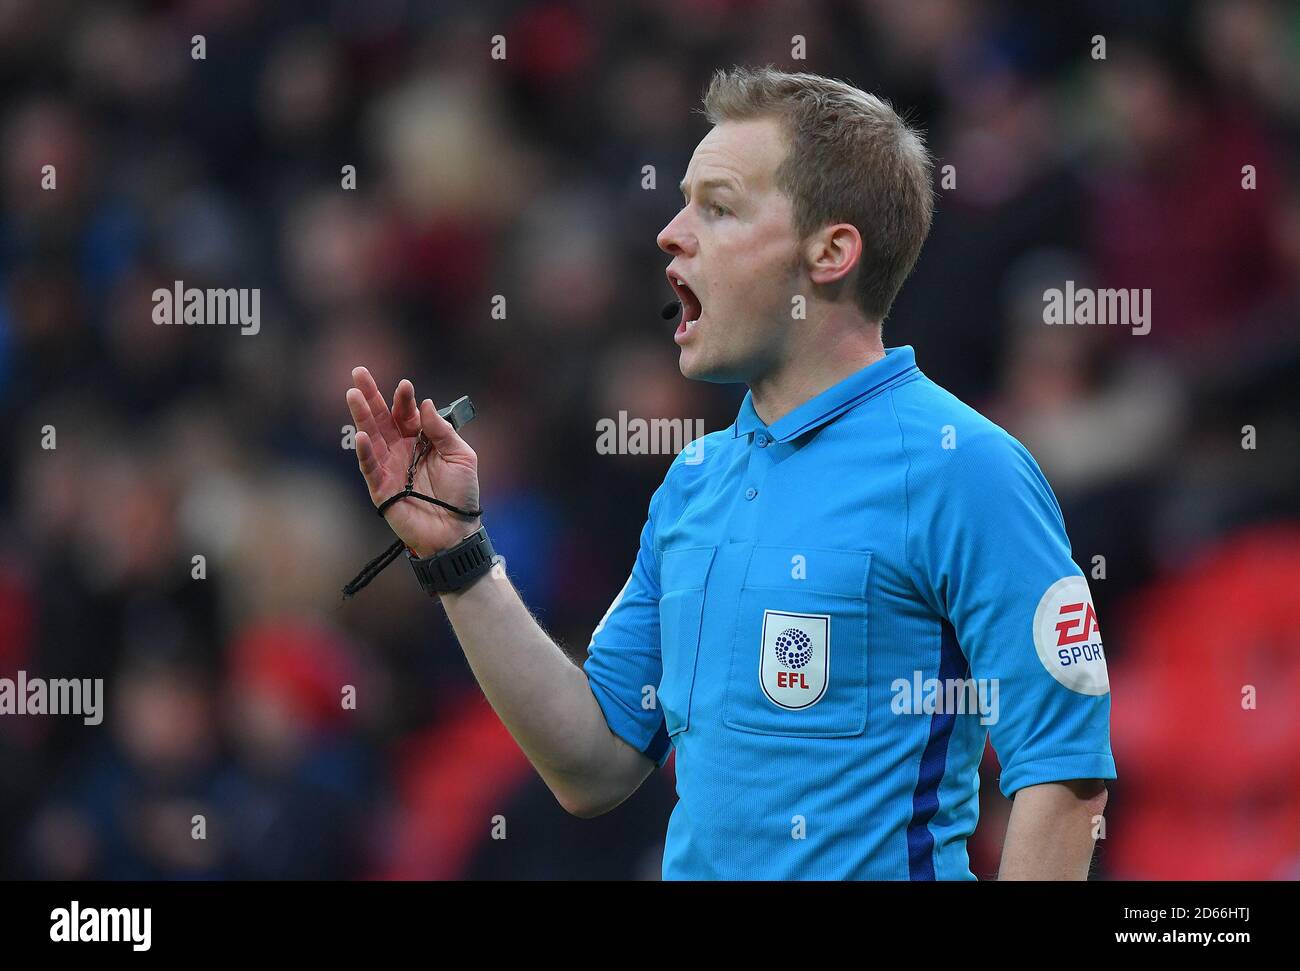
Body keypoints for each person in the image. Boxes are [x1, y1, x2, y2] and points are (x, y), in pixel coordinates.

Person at [344, 66, 1114, 880]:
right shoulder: (693, 481)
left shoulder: (967, 467)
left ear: (830, 252)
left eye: (717, 206)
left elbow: (1062, 777)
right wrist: (459, 554)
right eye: (683, 202)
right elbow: (595, 763)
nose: (671, 233)